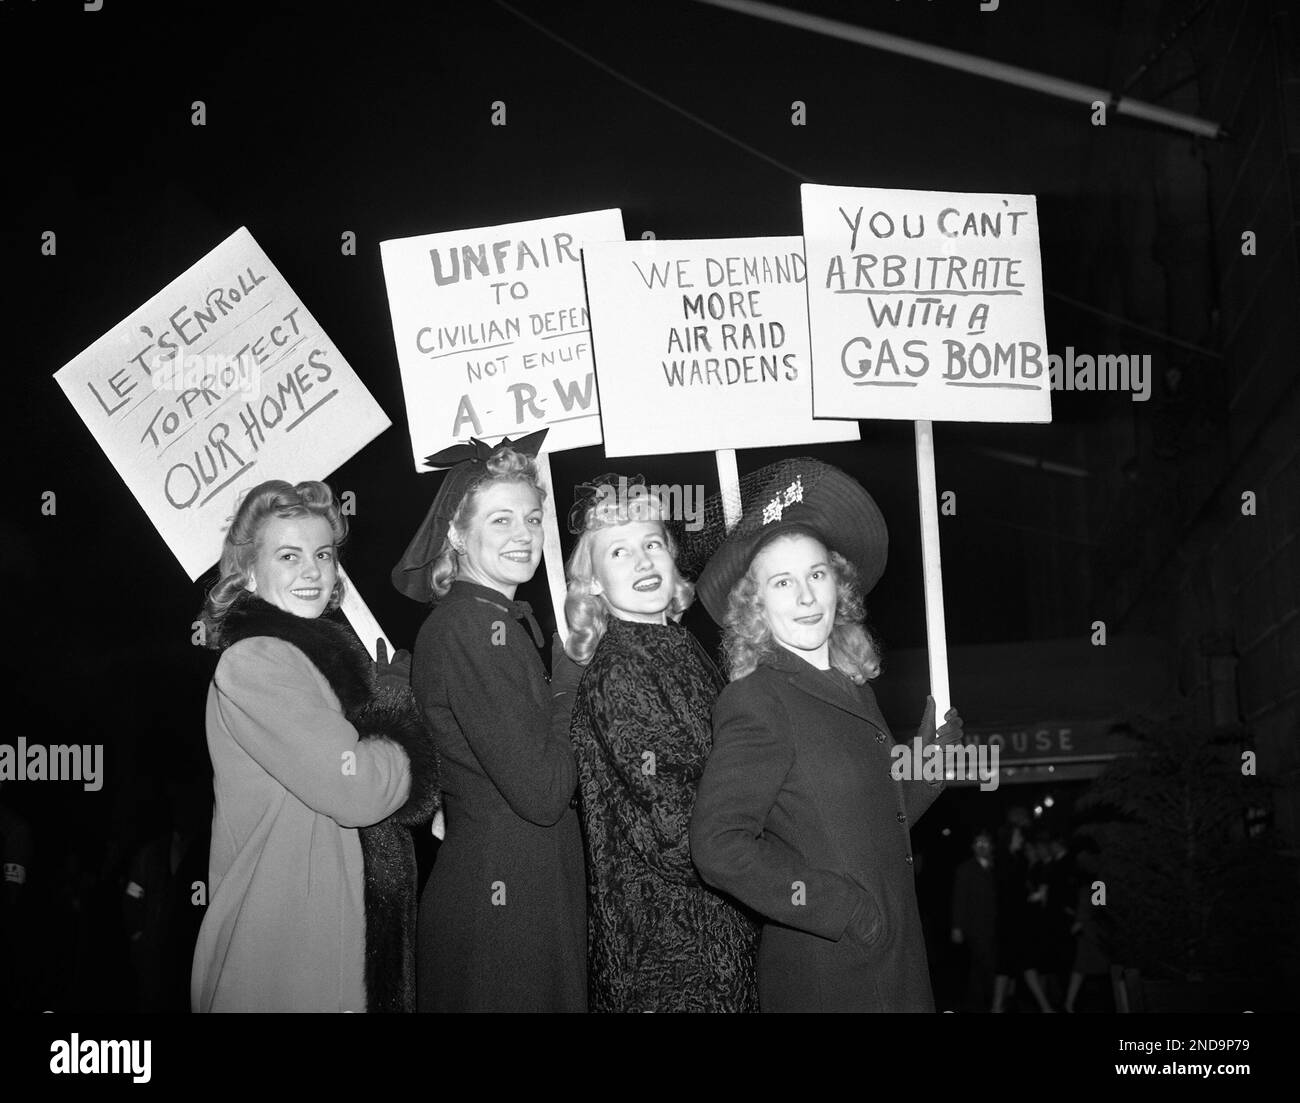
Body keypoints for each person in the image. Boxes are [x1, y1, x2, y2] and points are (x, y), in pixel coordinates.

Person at [688, 459, 962, 1012]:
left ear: (838, 582)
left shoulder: (851, 686)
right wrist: (843, 910)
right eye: (783, 583)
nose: (807, 597)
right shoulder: (759, 699)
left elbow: (872, 819)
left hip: (896, 958)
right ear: (755, 605)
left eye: (816, 575)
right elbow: (717, 845)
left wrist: (929, 767)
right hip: (834, 974)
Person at [191, 479, 439, 1013]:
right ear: (250, 572)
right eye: (289, 555)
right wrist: (397, 720)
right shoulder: (256, 661)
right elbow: (361, 790)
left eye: (323, 554)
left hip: (337, 943)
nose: (312, 570)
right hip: (289, 956)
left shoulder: (317, 664)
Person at [394, 431, 586, 1012]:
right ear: (457, 532)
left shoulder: (490, 619)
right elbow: (545, 791)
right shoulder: (471, 628)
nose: (523, 536)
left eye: (532, 519)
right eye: (500, 520)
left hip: (523, 892)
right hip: (505, 916)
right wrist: (571, 676)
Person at [562, 475, 758, 1012]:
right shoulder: (622, 669)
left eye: (652, 544)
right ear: (594, 582)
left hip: (717, 931)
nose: (642, 561)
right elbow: (677, 829)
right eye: (619, 551)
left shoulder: (679, 644)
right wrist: (773, 864)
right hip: (670, 955)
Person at [951, 829, 998, 1013]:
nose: (981, 847)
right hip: (975, 926)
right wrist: (957, 927)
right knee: (987, 963)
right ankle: (994, 1000)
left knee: (979, 968)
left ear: (991, 846)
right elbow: (959, 899)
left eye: (985, 843)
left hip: (995, 925)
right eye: (978, 843)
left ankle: (977, 1004)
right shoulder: (965, 869)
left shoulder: (996, 867)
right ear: (972, 847)